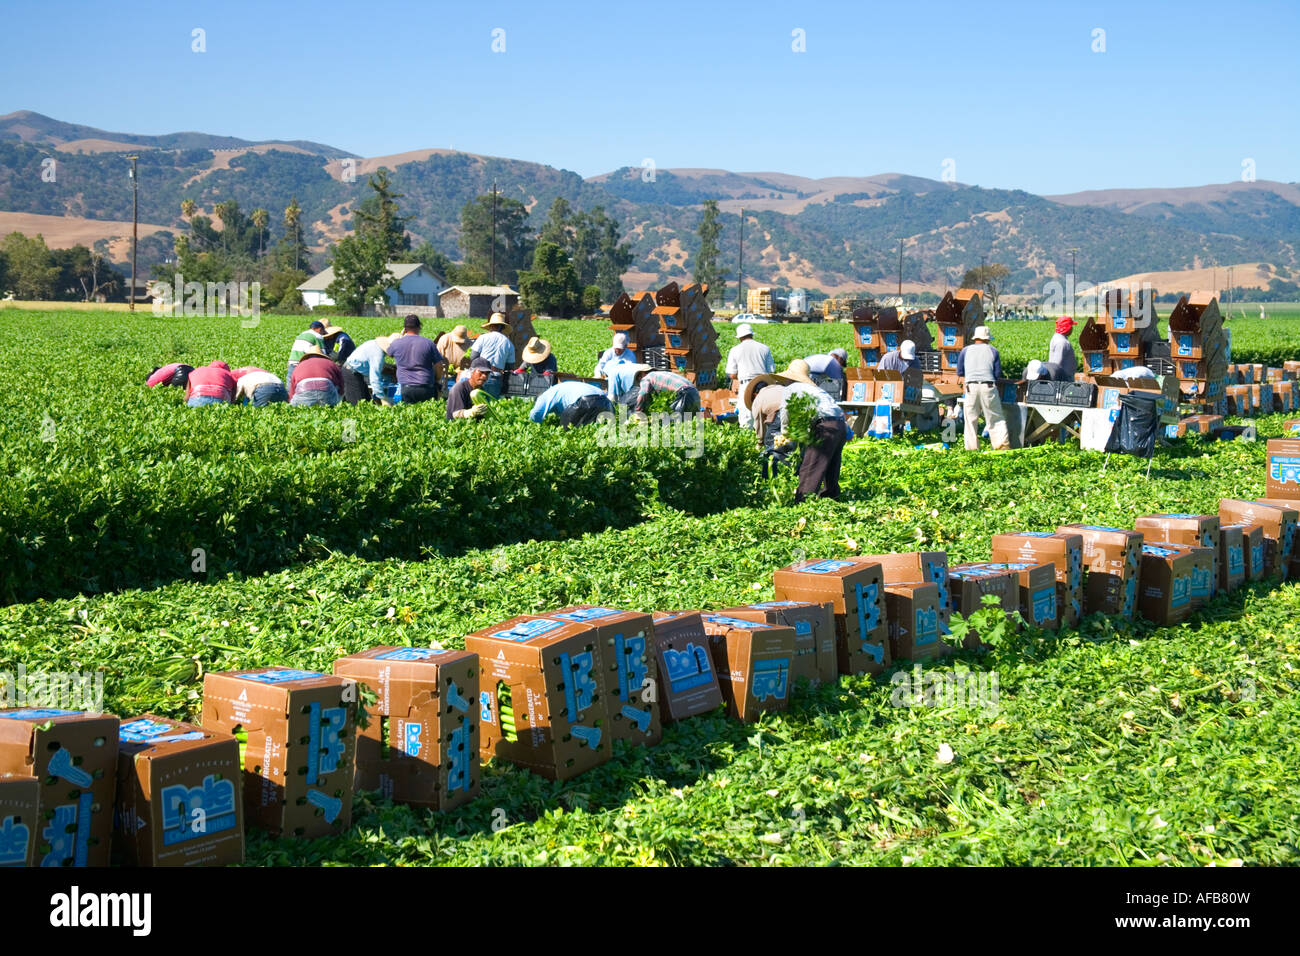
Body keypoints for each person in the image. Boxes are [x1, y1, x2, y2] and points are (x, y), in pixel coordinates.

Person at [775, 359, 849, 502]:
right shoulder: (815, 390)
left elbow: (785, 412)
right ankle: (831, 497)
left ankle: (803, 501)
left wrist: (785, 433)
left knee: (812, 465)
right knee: (831, 462)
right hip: (840, 424)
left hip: (826, 425)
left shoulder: (790, 389)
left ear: (789, 378)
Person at [957, 326, 1009, 451]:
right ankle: (1001, 446)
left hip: (971, 387)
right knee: (995, 417)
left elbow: (960, 371)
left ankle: (972, 448)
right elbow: (997, 374)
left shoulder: (965, 351)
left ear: (975, 338)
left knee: (970, 419)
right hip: (988, 386)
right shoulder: (993, 351)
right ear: (987, 339)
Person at [725, 323, 775, 428]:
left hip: (746, 384)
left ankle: (747, 438)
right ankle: (762, 438)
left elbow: (732, 374)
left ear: (740, 337)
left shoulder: (735, 350)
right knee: (763, 413)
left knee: (746, 416)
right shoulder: (764, 348)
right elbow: (771, 371)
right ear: (752, 335)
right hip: (763, 384)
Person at [386, 314, 443, 404]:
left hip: (406, 388)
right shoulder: (428, 343)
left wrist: (401, 336)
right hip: (426, 387)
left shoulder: (396, 343)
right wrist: (437, 379)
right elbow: (439, 366)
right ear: (419, 327)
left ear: (405, 329)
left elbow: (389, 353)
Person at [529, 380, 613, 427]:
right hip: (605, 401)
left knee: (568, 430)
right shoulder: (559, 390)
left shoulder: (544, 396)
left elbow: (536, 413)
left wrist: (533, 426)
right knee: (599, 430)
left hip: (586, 401)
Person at [342, 334, 397, 405]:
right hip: (351, 372)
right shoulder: (378, 355)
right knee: (358, 404)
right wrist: (383, 399)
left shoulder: (375, 344)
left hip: (358, 373)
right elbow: (374, 379)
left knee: (367, 401)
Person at [471, 313, 516, 397]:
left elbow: (473, 356)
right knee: (491, 406)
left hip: (480, 375)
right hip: (496, 378)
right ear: (502, 328)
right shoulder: (509, 343)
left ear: (492, 326)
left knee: (476, 404)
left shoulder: (483, 337)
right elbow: (510, 366)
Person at [634, 369, 701, 415]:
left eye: (639, 377)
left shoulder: (646, 378)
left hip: (684, 393)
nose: (639, 380)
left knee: (676, 423)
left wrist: (637, 411)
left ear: (643, 373)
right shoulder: (659, 374)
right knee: (691, 420)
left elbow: (643, 392)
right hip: (694, 392)